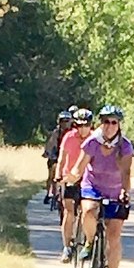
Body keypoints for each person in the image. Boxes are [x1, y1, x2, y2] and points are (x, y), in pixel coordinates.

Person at [67, 105, 134, 268]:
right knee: (89, 210)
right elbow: (80, 166)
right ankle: (89, 242)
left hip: (115, 190)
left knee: (114, 238)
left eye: (114, 122)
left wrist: (125, 191)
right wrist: (72, 176)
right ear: (101, 123)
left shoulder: (124, 146)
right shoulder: (92, 142)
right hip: (93, 186)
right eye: (106, 122)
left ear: (119, 125)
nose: (109, 126)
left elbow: (126, 172)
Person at [55, 108, 93, 257]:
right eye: (79, 125)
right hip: (69, 177)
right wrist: (58, 175)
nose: (83, 129)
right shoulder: (69, 137)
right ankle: (66, 247)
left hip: (87, 179)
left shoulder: (94, 139)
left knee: (88, 211)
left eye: (86, 125)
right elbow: (62, 158)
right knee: (69, 211)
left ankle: (89, 242)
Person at [42, 111, 72, 203]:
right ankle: (49, 193)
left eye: (67, 121)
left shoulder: (73, 133)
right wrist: (47, 152)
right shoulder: (56, 132)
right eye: (63, 121)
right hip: (57, 154)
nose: (65, 123)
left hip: (69, 155)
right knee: (52, 174)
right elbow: (51, 143)